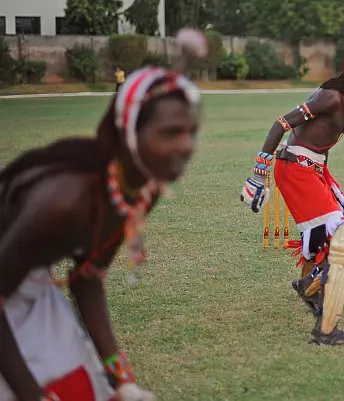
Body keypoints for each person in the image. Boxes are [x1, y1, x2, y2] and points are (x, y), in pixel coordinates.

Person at [0, 64, 202, 401]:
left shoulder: (143, 188)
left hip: (27, 283)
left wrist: (123, 381)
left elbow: (87, 276)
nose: (186, 146)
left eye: (191, 131)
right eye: (170, 132)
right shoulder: (63, 203)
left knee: (80, 387)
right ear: (128, 134)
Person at [241, 42, 344, 345]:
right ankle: (325, 328)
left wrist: (324, 179)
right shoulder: (331, 97)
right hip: (296, 170)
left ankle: (309, 281)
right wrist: (258, 173)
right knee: (338, 242)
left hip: (313, 170)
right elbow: (280, 124)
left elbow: (319, 142)